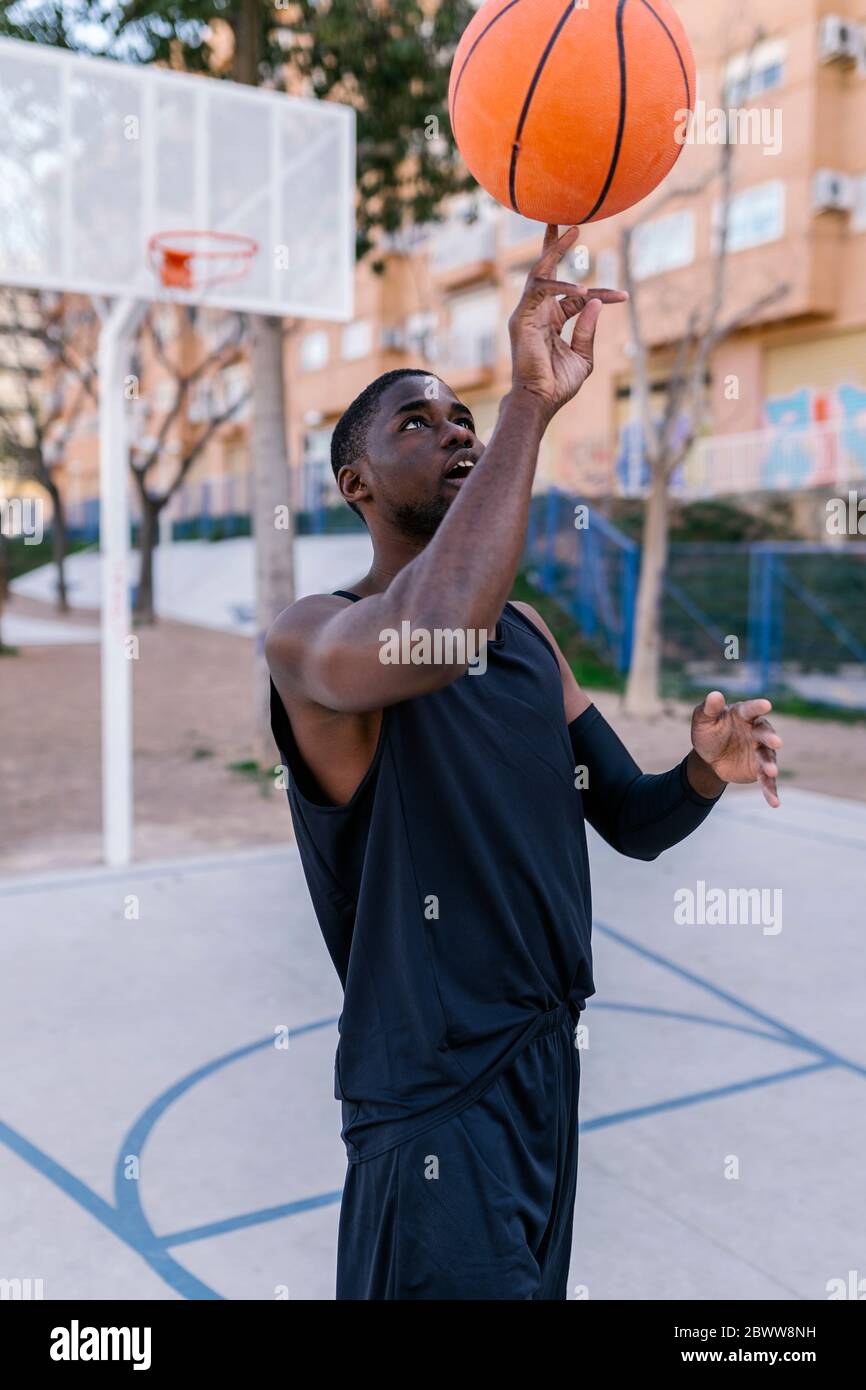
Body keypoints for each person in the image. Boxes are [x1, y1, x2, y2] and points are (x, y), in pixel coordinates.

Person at [266, 224, 783, 1300]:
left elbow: (630, 819)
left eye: (462, 417)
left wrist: (700, 772)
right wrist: (523, 405)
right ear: (354, 482)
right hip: (433, 1098)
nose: (454, 433)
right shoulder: (315, 637)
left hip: (544, 1068)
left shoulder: (529, 638)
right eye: (420, 423)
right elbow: (441, 620)